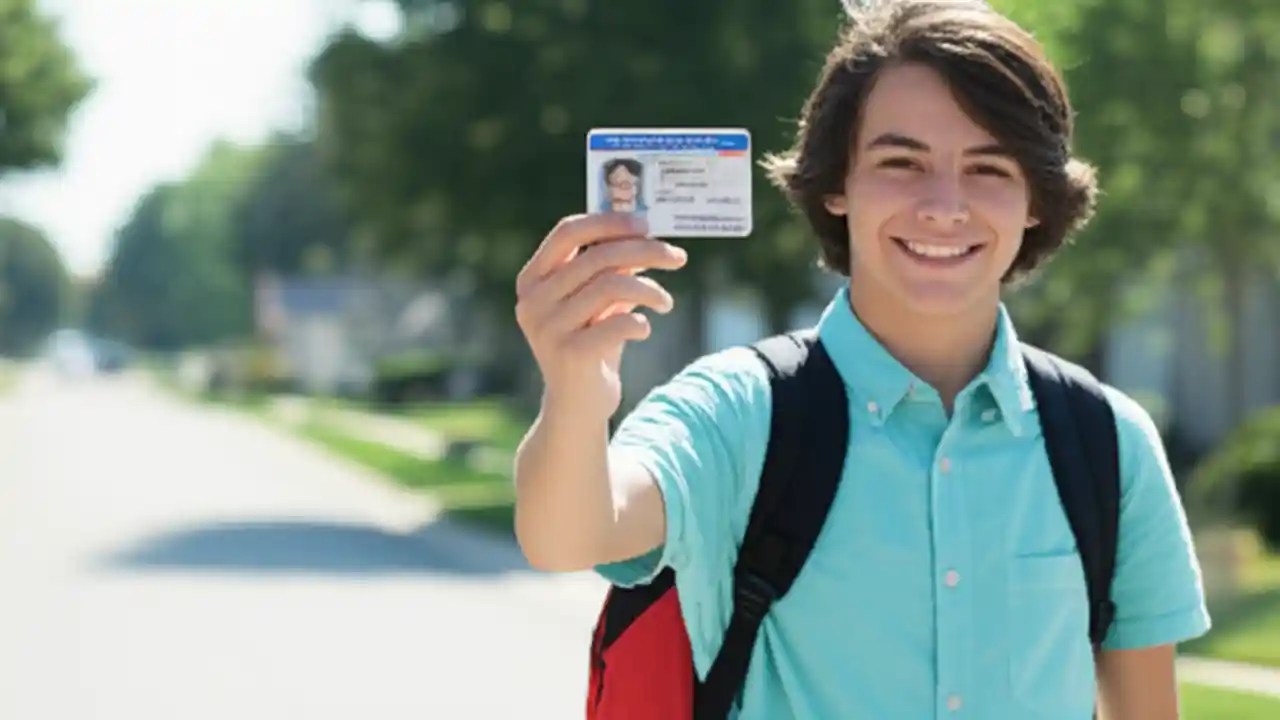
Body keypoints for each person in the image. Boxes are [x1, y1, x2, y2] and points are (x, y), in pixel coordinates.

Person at [513, 1, 1210, 717]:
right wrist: (573, 395)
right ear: (838, 185)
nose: (944, 205)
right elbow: (568, 533)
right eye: (901, 162)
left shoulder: (1107, 444)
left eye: (989, 167)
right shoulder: (738, 413)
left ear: (1036, 198)